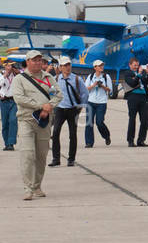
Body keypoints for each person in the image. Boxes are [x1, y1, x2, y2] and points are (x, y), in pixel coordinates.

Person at [13, 51, 61, 200]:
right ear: (27, 61)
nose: (38, 63)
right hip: (26, 120)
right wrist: (41, 106)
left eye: (40, 60)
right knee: (27, 154)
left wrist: (50, 106)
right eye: (34, 60)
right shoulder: (19, 79)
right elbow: (19, 98)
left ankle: (36, 185)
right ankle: (28, 188)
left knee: (41, 156)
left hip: (44, 122)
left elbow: (58, 94)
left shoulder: (49, 78)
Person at [50, 56, 87, 167]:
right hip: (60, 109)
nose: (67, 67)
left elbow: (85, 93)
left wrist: (80, 107)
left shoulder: (77, 79)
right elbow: (50, 92)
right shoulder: (56, 79)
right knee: (55, 133)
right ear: (60, 67)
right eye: (65, 65)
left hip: (73, 110)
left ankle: (71, 159)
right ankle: (56, 158)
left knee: (73, 134)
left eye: (68, 65)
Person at [121, 58, 148, 147]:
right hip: (133, 97)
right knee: (132, 119)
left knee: (144, 120)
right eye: (134, 65)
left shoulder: (141, 73)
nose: (136, 67)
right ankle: (130, 140)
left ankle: (141, 140)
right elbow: (132, 83)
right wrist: (138, 74)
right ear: (130, 65)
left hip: (143, 97)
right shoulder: (127, 73)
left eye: (137, 65)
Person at [83, 59, 112, 148]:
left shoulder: (106, 77)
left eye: (102, 65)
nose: (101, 67)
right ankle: (89, 142)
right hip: (91, 102)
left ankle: (106, 136)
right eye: (99, 66)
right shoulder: (90, 77)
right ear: (95, 67)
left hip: (102, 102)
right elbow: (85, 88)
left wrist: (102, 86)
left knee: (99, 122)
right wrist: (93, 85)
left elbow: (109, 90)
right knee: (89, 123)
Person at [0, 59, 18, 151]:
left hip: (14, 101)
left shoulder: (16, 75)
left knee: (13, 120)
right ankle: (7, 143)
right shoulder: (1, 74)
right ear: (5, 66)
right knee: (5, 123)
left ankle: (11, 143)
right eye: (8, 65)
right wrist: (4, 76)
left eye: (11, 65)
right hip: (4, 101)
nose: (10, 67)